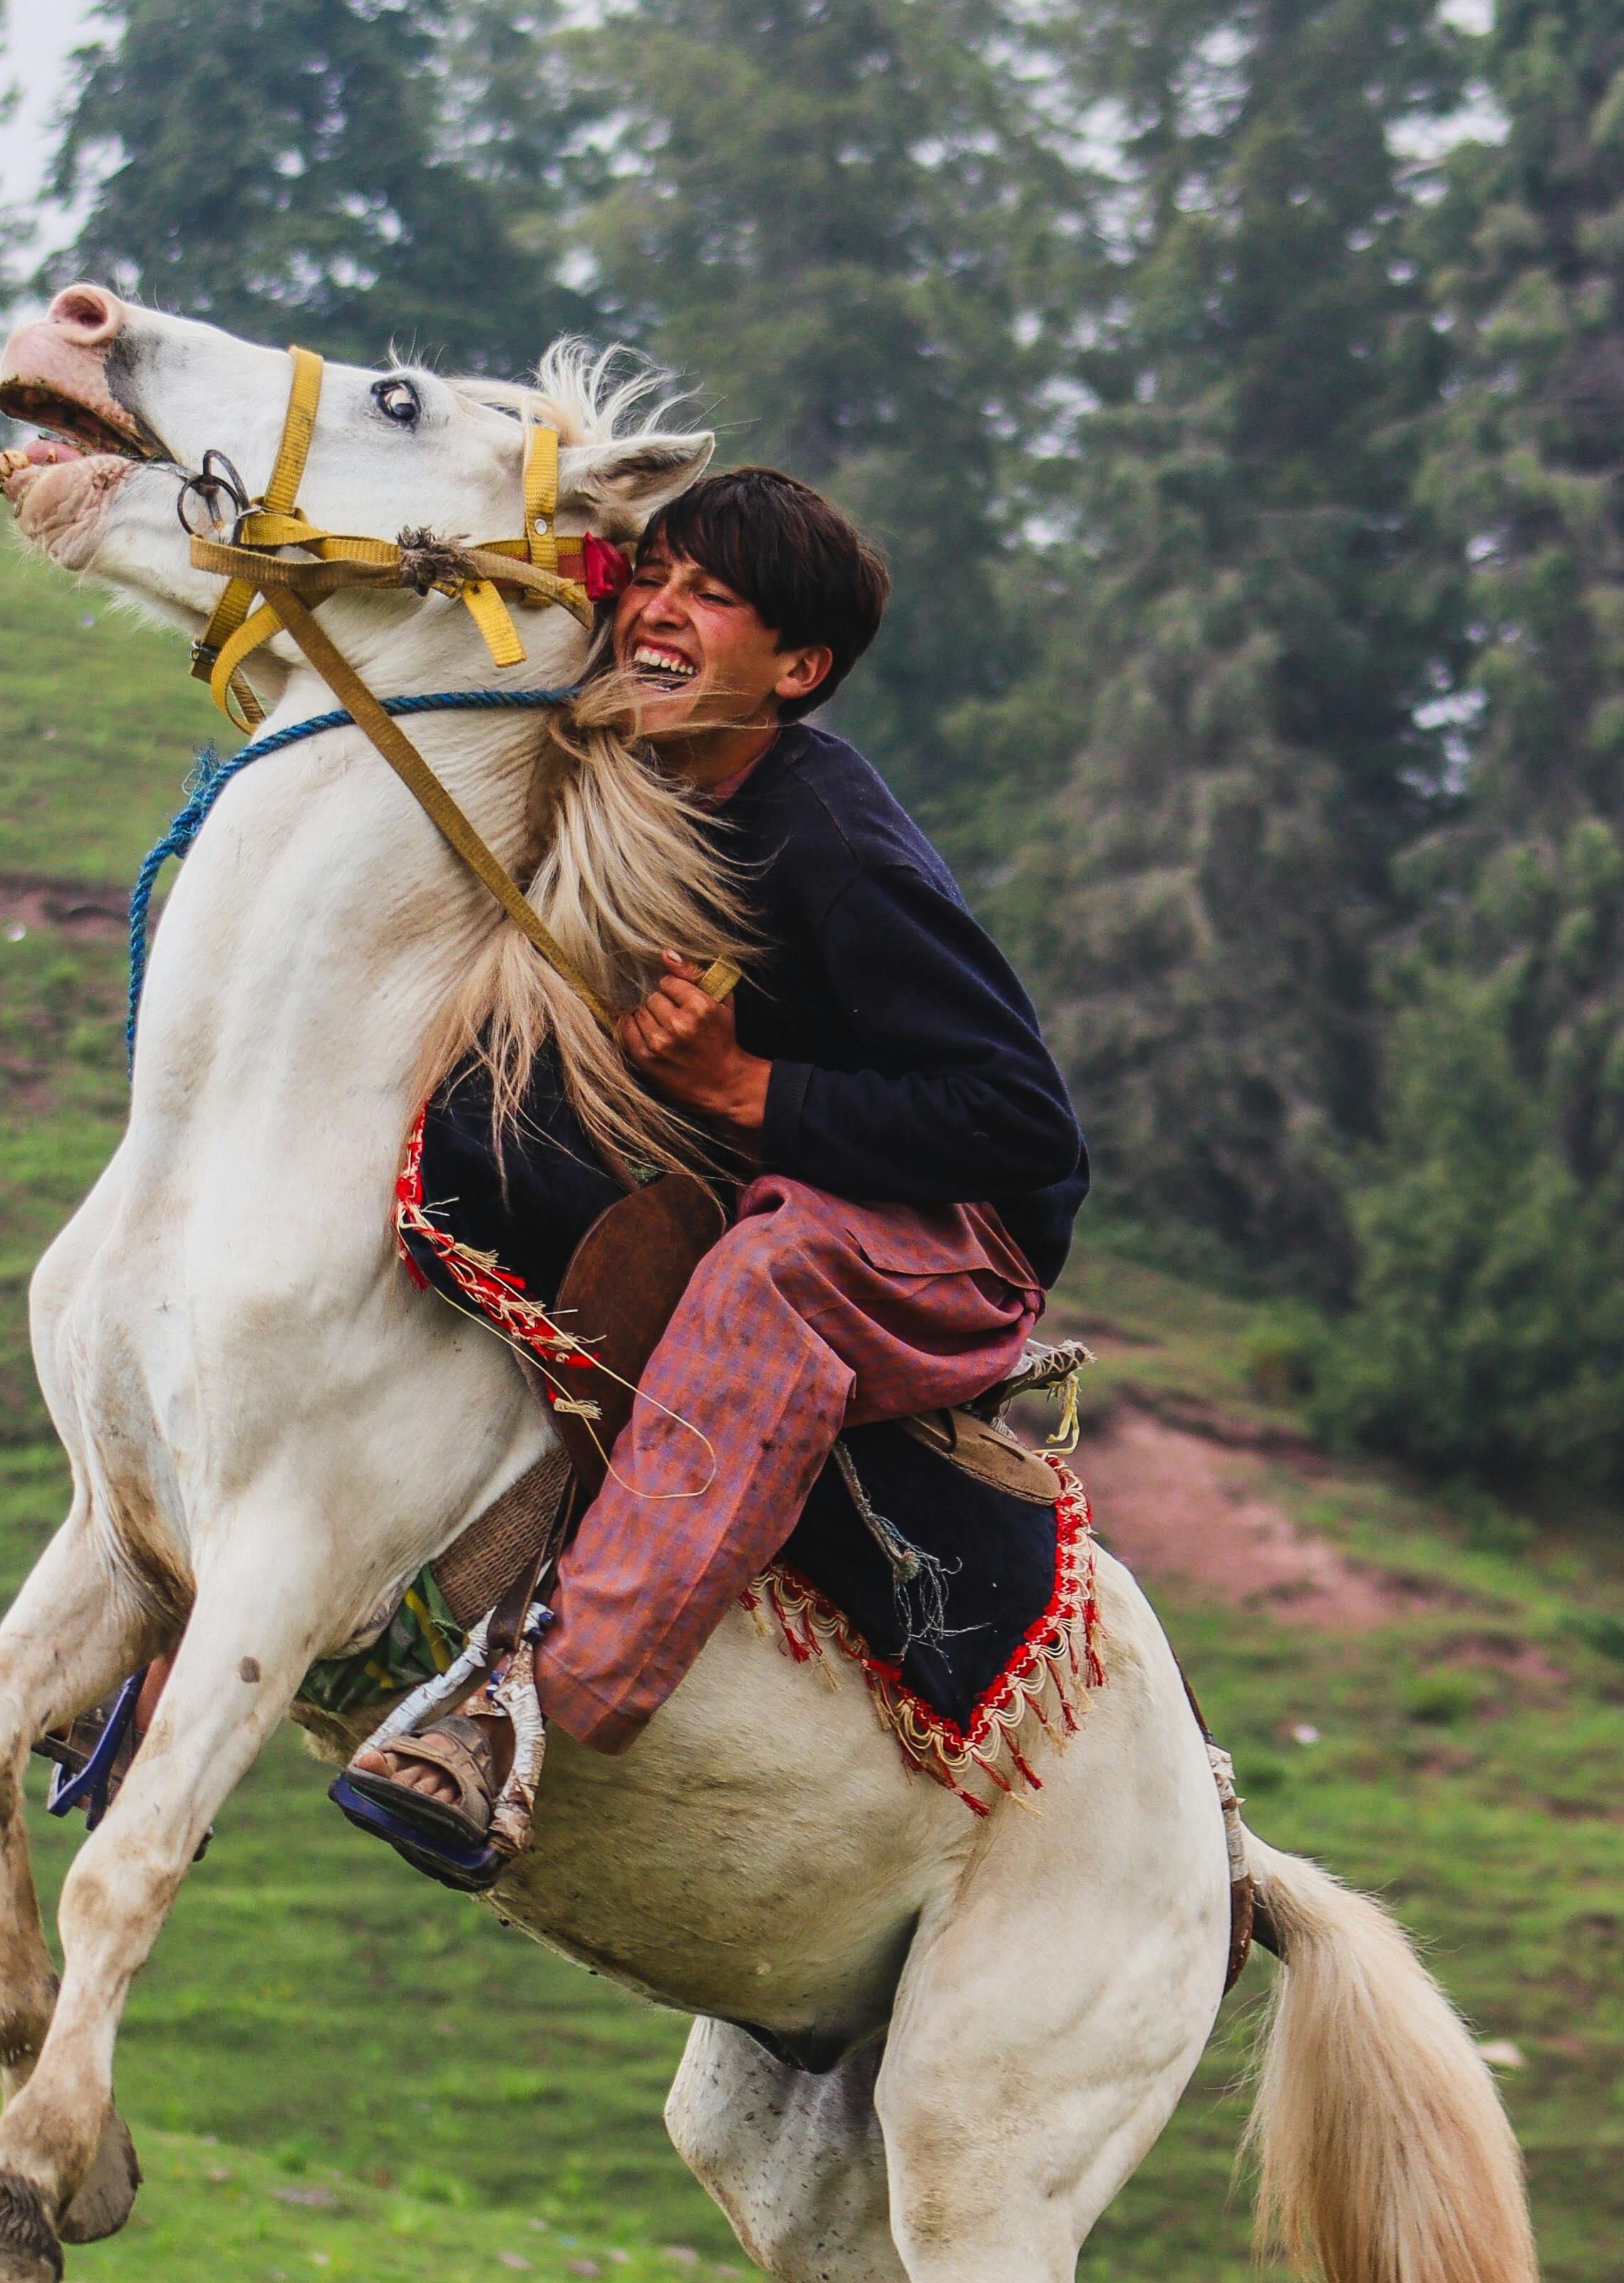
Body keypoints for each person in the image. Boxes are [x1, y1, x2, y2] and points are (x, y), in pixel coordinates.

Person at [338, 466, 1087, 1868]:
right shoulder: (629, 771)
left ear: (796, 669)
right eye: (657, 581)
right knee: (465, 1138)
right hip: (755, 1163)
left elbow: (1021, 1121)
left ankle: (523, 1710)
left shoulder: (832, 836)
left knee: (766, 1277)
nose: (662, 614)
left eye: (714, 597)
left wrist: (746, 1086)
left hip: (937, 1238)